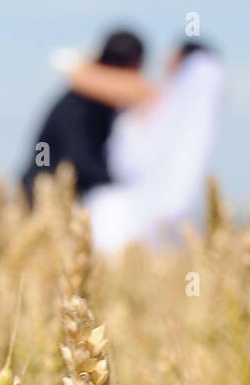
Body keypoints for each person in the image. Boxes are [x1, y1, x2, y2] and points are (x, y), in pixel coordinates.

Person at [69, 39, 225, 252]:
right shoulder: (179, 111)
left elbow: (78, 75)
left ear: (179, 58)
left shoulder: (152, 95)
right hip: (140, 207)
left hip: (119, 207)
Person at [21, 30, 145, 202]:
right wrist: (127, 187)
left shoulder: (96, 104)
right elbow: (80, 161)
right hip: (42, 199)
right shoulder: (80, 106)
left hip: (59, 200)